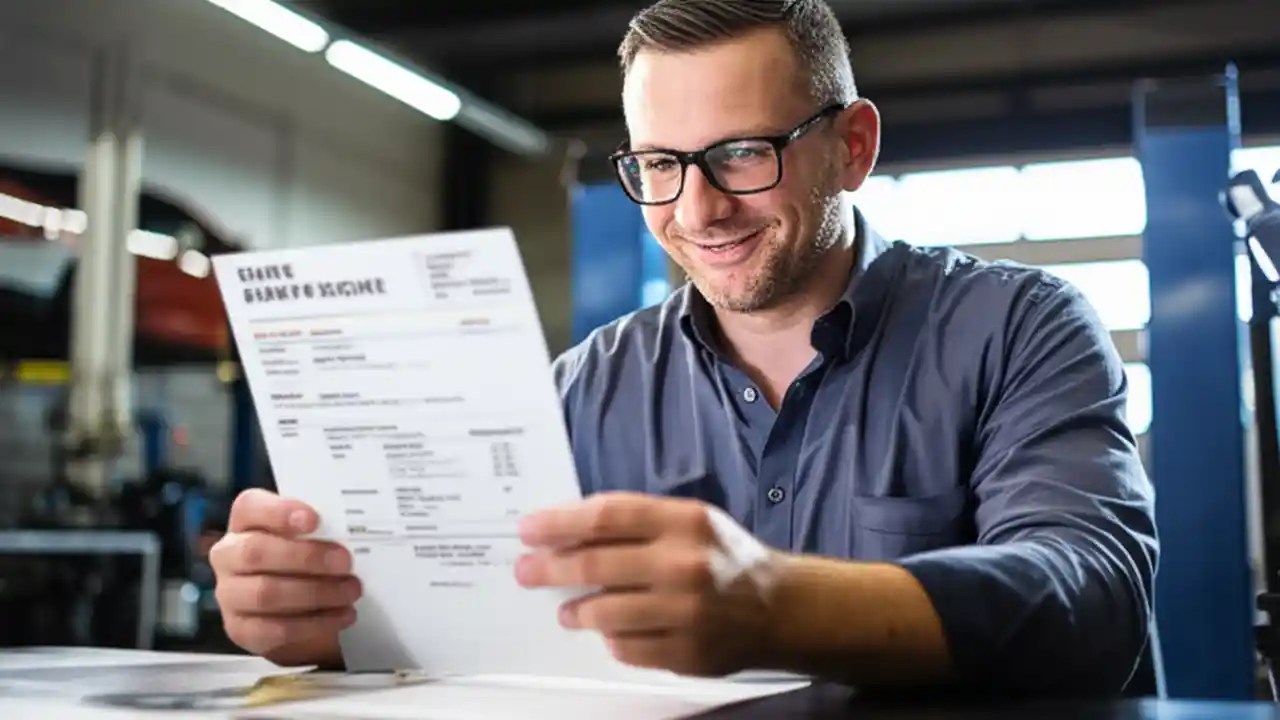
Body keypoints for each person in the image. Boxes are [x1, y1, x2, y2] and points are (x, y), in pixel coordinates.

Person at [209, 0, 1159, 698]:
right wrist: (331, 619)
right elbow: (490, 628)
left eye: (742, 153)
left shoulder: (1018, 328)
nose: (696, 210)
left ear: (853, 148)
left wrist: (780, 605)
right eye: (659, 165)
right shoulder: (587, 387)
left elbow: (1093, 600)